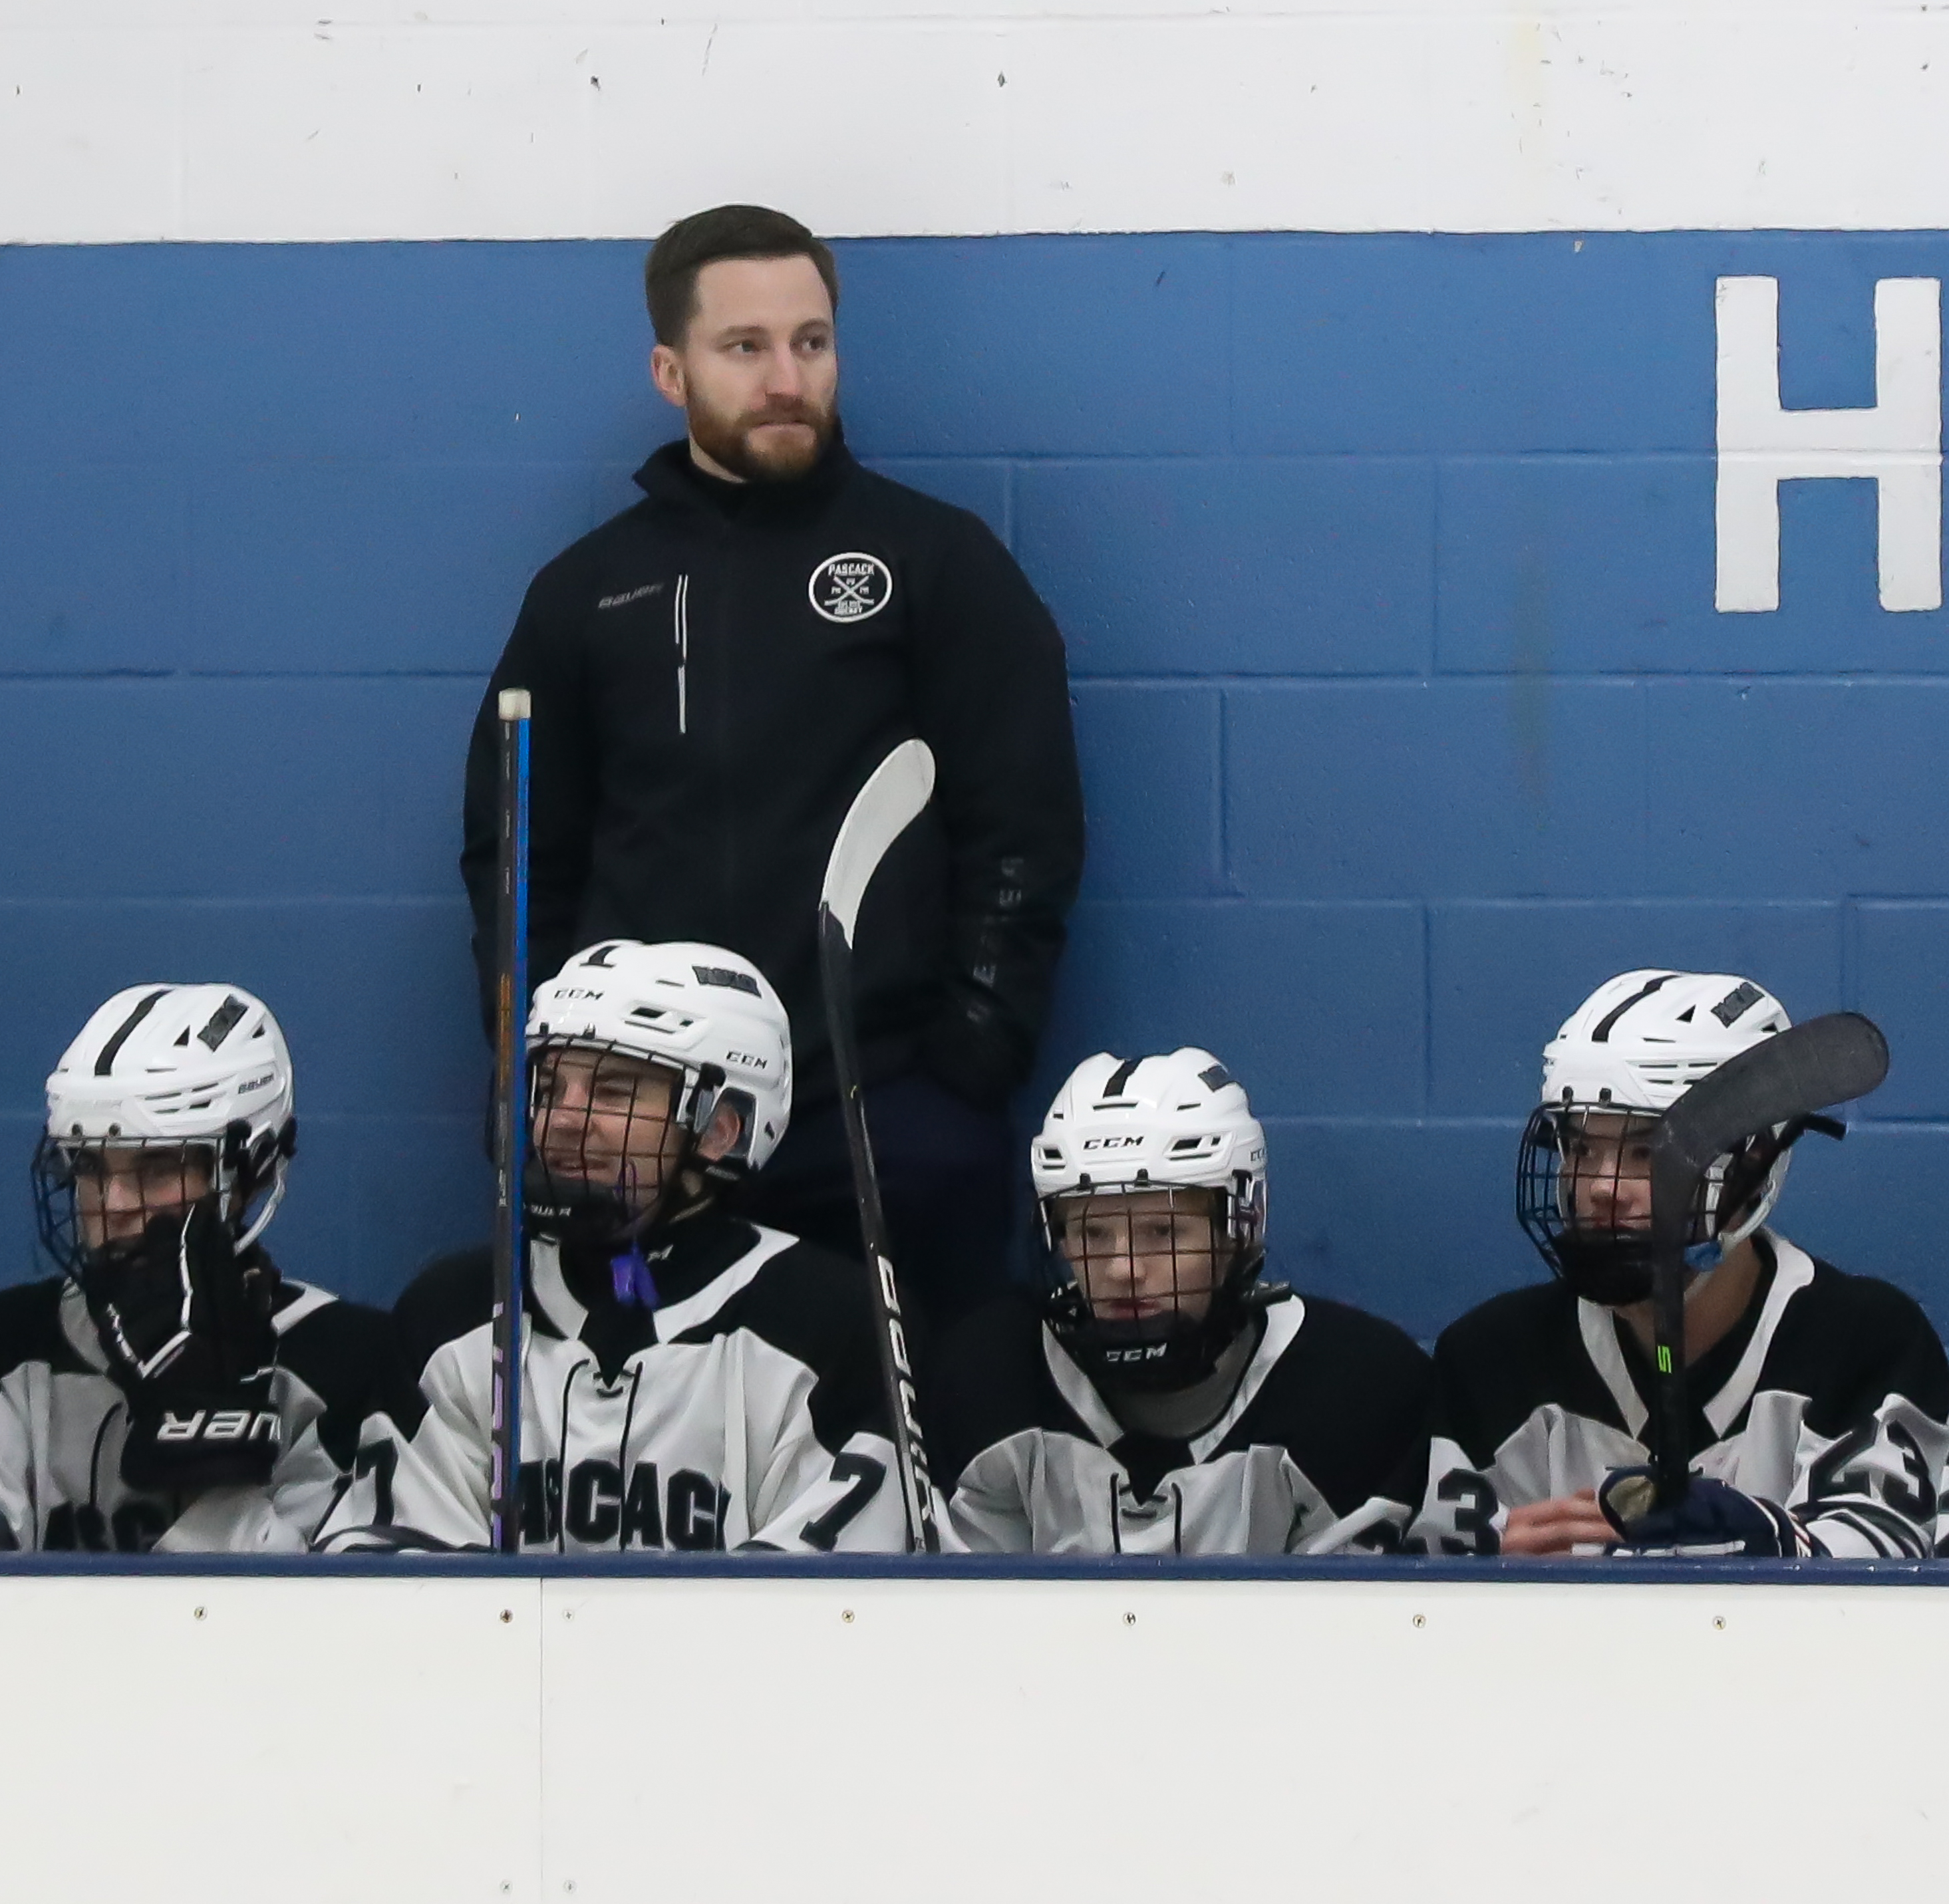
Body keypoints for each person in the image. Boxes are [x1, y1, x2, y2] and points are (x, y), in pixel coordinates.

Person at [460, 204, 1085, 1323]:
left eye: (811, 341)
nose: (786, 377)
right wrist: (552, 1076)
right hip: (654, 1139)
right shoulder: (587, 594)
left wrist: (966, 1064)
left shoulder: (937, 562)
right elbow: (518, 854)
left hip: (883, 1119)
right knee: (661, 1443)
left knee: (912, 1449)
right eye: (744, 348)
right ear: (671, 368)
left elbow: (1025, 827)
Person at [319, 940, 926, 1554]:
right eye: (550, 1086)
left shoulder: (827, 1323)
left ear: (719, 1128)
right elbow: (388, 1588)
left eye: (613, 1092)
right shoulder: (454, 1313)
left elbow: (841, 1615)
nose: (560, 1118)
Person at [1410, 970, 1949, 1558]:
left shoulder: (1864, 1344)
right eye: (1583, 1147)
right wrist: (1476, 1578)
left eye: (1646, 1150)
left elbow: (1887, 1583)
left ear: (1756, 1167)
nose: (1600, 1189)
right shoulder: (1490, 1360)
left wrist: (1770, 1541)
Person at [0, 984, 440, 1553]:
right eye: (89, 1166)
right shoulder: (2, 1351)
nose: (111, 1204)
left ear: (250, 1173)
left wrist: (216, 1459)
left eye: (155, 1166)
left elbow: (344, 1621)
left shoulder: (348, 1365)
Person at [929, 1049, 1429, 1554]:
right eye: (1094, 1232)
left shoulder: (1354, 1386)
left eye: (1162, 1231)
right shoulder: (988, 1379)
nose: (1123, 1269)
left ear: (1240, 1227)